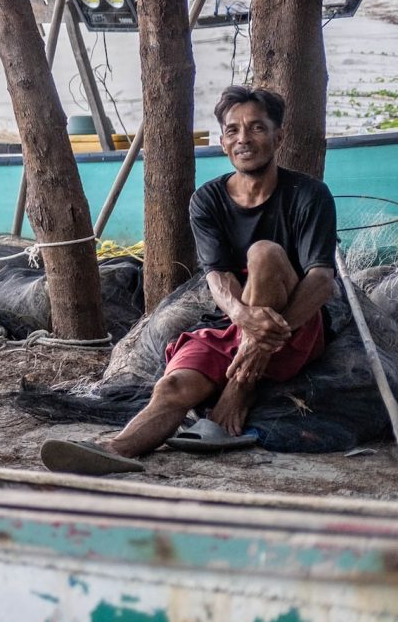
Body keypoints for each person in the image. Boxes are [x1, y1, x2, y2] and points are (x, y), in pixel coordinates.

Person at [42, 86, 338, 475]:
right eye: (232, 130)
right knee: (172, 387)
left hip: (293, 323)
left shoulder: (309, 194)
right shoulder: (207, 200)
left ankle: (239, 389)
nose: (243, 139)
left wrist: (265, 338)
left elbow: (320, 280)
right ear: (222, 141)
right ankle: (115, 450)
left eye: (256, 128)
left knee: (263, 254)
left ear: (278, 136)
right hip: (232, 321)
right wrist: (242, 317)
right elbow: (217, 277)